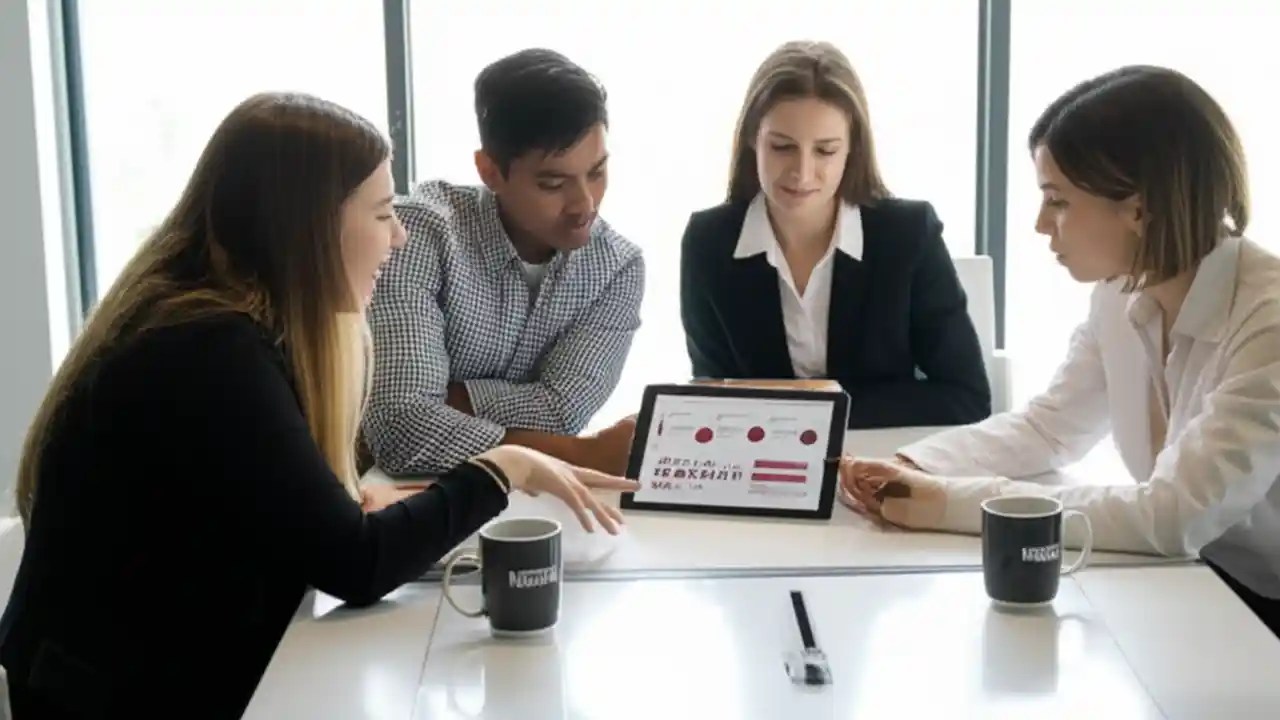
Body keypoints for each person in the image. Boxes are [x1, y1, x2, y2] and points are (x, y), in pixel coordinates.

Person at [0, 92, 637, 718]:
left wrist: (345, 508)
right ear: (311, 224)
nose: (399, 239)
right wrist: (507, 465)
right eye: (383, 213)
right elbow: (357, 564)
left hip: (129, 669)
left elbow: (292, 519)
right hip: (125, 693)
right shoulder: (211, 351)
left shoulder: (213, 320)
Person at [841, 65, 1280, 635]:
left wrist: (947, 503)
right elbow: (1050, 428)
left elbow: (1174, 515)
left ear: (1139, 209)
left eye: (1059, 201)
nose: (1041, 224)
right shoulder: (1122, 292)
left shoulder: (1267, 319)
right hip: (1199, 582)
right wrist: (914, 466)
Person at [363, 48, 644, 479]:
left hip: (538, 500)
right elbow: (401, 429)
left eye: (597, 171)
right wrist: (578, 455)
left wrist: (453, 399)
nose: (584, 204)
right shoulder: (420, 234)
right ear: (489, 171)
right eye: (553, 183)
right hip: (402, 497)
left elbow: (562, 412)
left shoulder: (617, 267)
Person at [679, 40, 990, 429]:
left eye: (825, 151)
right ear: (751, 139)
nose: (802, 172)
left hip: (883, 463)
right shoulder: (709, 241)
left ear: (851, 151)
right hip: (766, 472)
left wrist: (819, 404)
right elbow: (714, 399)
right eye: (782, 147)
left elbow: (966, 396)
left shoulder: (908, 234)